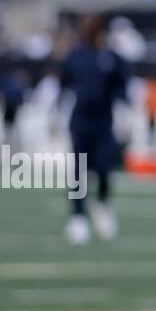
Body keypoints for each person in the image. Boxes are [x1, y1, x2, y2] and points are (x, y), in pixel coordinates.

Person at [59, 15, 128, 243]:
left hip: (104, 120)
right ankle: (78, 216)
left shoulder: (111, 58)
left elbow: (122, 89)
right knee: (78, 170)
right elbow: (63, 86)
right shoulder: (76, 56)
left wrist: (125, 116)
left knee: (104, 167)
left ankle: (103, 204)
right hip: (81, 119)